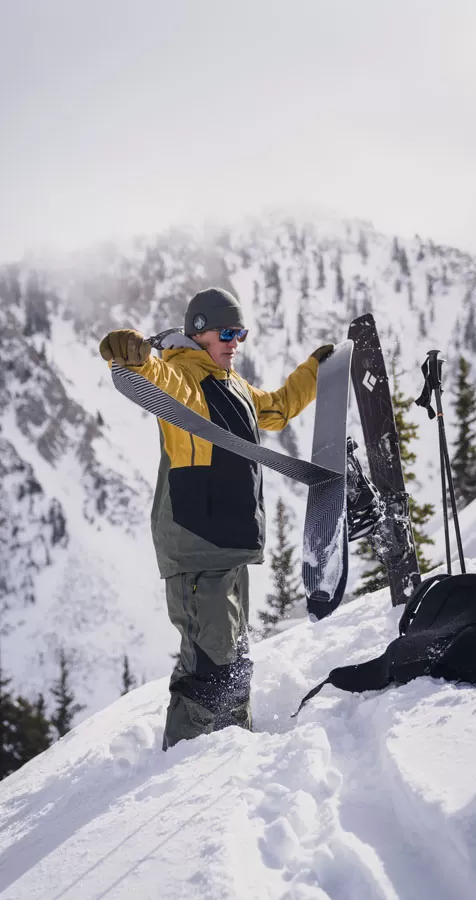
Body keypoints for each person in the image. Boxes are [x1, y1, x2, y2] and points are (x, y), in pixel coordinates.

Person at [99, 287, 333, 749]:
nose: (235, 341)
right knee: (210, 665)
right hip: (196, 542)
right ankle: (184, 768)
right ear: (198, 331)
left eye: (240, 333)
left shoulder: (235, 385)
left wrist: (315, 370)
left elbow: (278, 409)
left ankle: (231, 753)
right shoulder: (185, 376)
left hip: (229, 545)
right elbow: (157, 378)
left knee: (234, 658)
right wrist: (129, 355)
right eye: (226, 332)